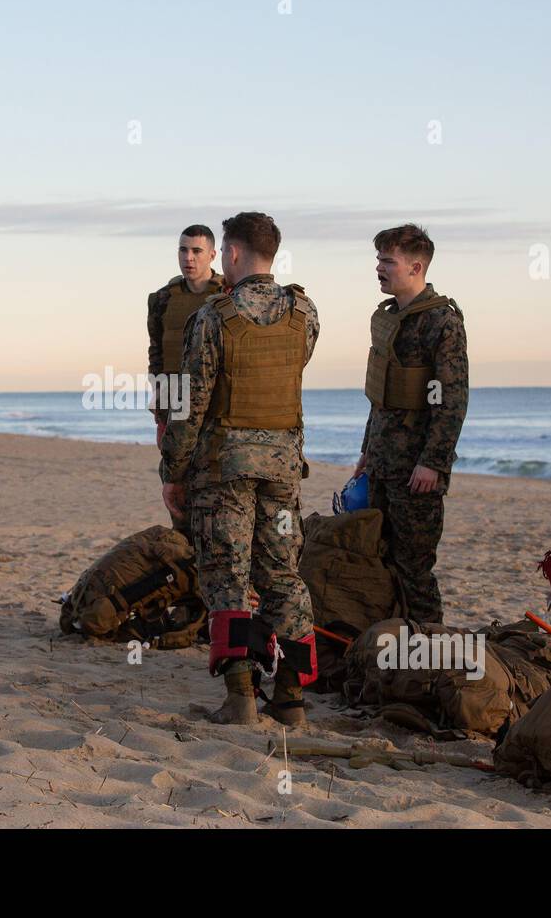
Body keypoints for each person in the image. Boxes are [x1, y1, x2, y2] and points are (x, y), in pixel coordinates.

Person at [160, 212, 319, 726]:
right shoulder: (305, 312)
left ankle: (241, 699)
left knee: (227, 576)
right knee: (283, 576)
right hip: (283, 469)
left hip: (224, 469)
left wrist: (174, 470)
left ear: (229, 254)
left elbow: (190, 404)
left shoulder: (213, 316)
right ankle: (292, 701)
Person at [352, 224, 467, 624]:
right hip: (383, 463)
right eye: (379, 259)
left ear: (416, 267)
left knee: (414, 571)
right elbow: (379, 397)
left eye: (388, 261)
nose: (379, 268)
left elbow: (451, 400)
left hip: (416, 469)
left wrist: (433, 462)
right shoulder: (387, 319)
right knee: (380, 562)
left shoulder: (441, 322)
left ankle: (427, 659)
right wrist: (366, 453)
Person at [147, 225, 222, 531]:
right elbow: (156, 355)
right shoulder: (163, 299)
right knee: (178, 497)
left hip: (216, 413)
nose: (188, 258)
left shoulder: (226, 294)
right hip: (174, 410)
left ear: (213, 255)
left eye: (196, 251)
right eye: (183, 250)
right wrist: (159, 408)